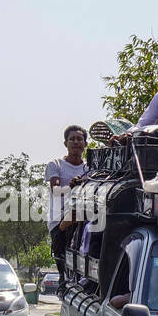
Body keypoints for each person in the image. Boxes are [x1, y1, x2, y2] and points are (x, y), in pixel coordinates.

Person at [46, 125, 89, 295]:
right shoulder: (55, 165)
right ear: (65, 143)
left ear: (86, 144)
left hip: (84, 219)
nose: (76, 142)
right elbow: (56, 192)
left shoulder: (89, 168)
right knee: (62, 256)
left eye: (79, 139)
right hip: (60, 221)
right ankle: (63, 279)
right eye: (72, 139)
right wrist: (72, 186)